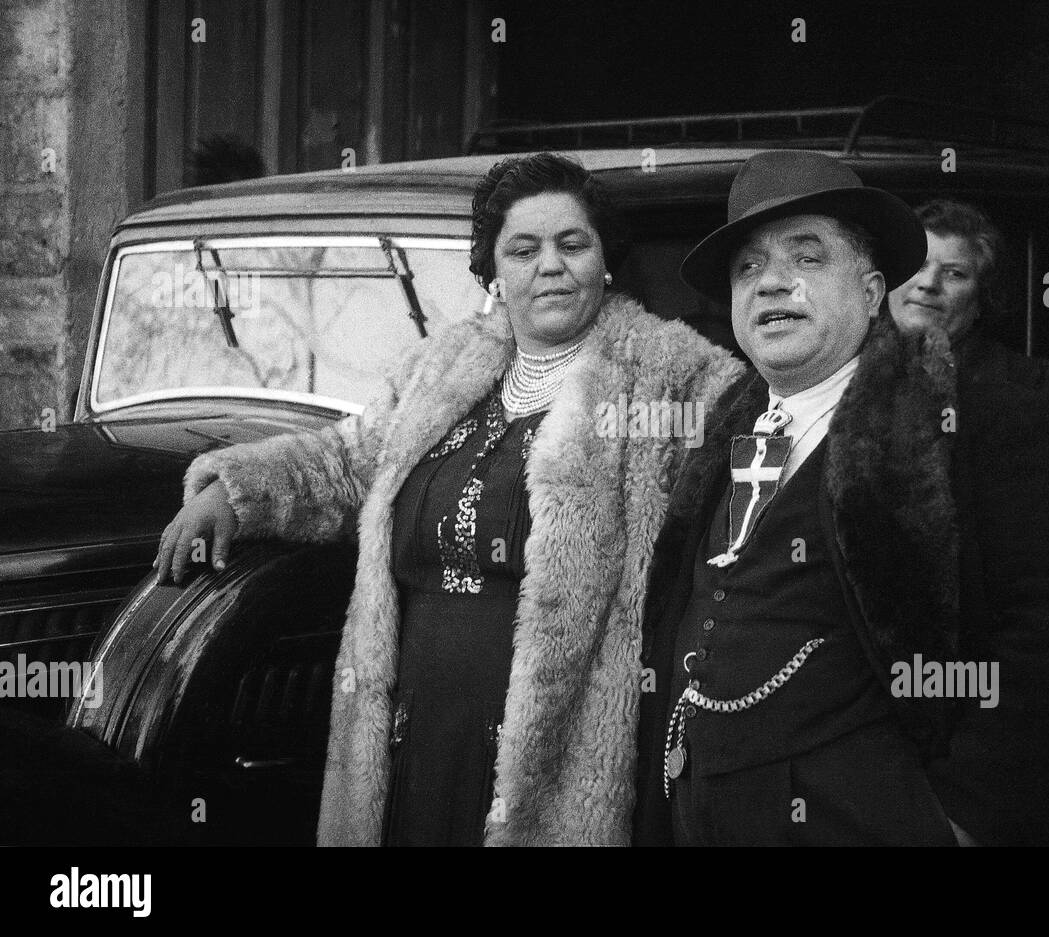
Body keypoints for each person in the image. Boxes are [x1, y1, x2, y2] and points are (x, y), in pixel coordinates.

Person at [156, 152, 744, 846]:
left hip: (560, 749)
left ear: (606, 260)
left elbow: (750, 480)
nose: (549, 265)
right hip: (418, 730)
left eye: (572, 243)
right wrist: (232, 490)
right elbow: (345, 460)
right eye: (523, 249)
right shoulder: (446, 364)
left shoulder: (671, 377)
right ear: (494, 273)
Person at [632, 150, 1049, 846]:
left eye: (807, 257)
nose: (771, 283)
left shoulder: (975, 414)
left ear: (871, 288)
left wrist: (963, 816)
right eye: (748, 267)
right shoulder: (726, 422)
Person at [889, 198, 1049, 548]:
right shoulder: (841, 379)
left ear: (981, 299)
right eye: (917, 265)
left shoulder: (1036, 390)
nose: (928, 284)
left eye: (955, 273)